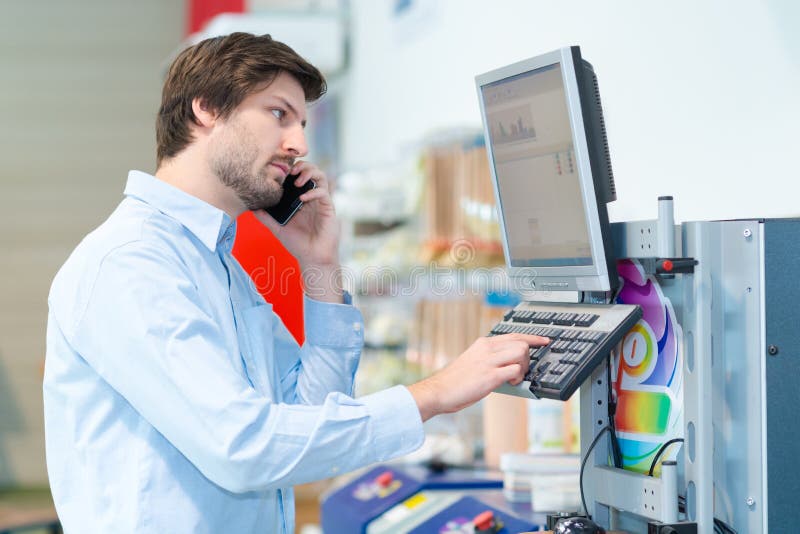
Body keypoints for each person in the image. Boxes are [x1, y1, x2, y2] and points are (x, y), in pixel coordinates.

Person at [43, 32, 548, 533]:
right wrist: (437, 392)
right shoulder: (134, 263)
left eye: (302, 123)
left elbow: (309, 415)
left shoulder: (218, 265)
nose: (300, 145)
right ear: (206, 110)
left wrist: (320, 268)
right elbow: (244, 448)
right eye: (279, 114)